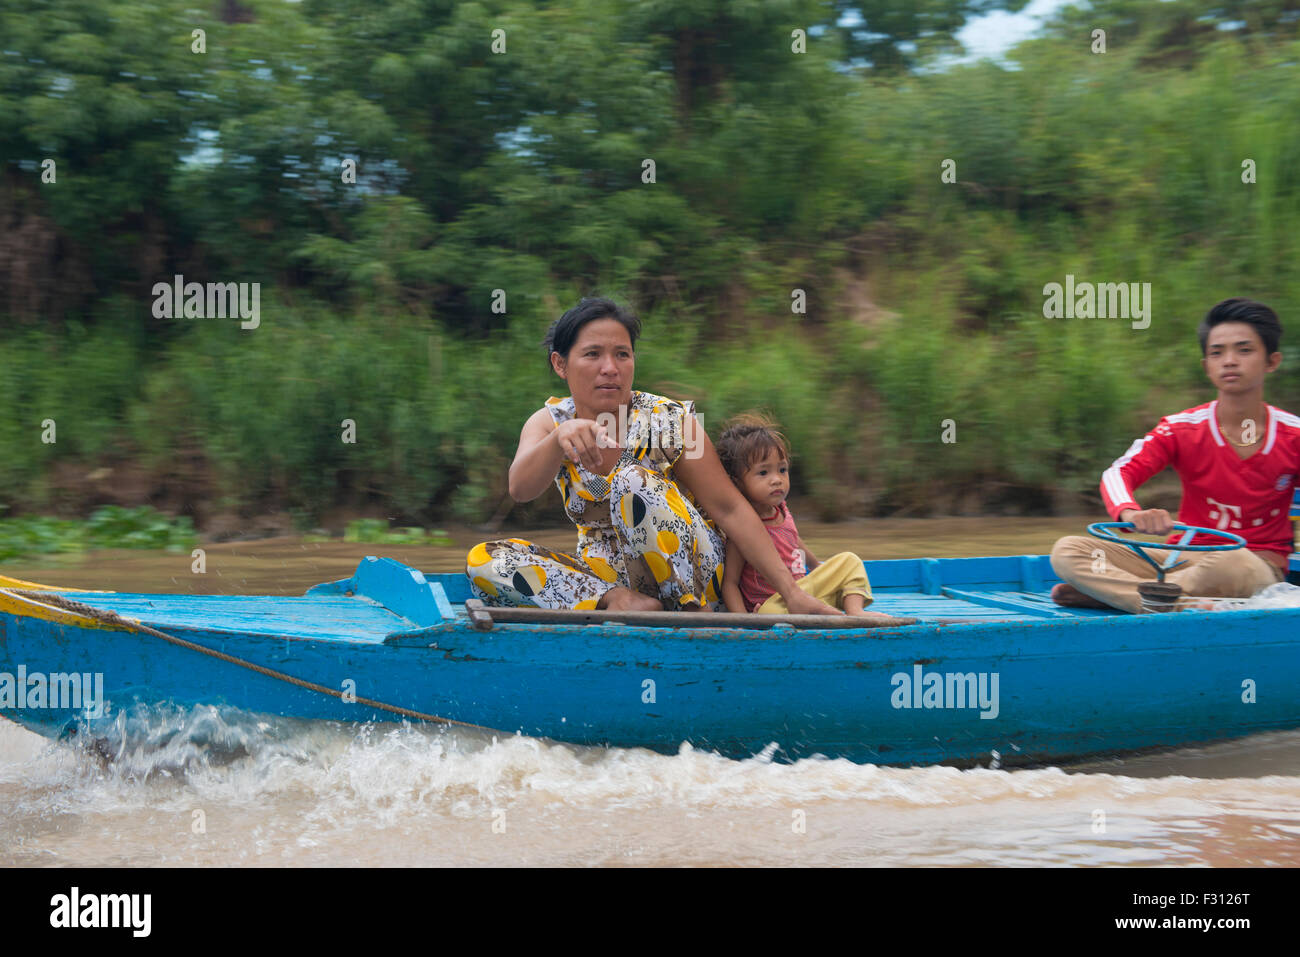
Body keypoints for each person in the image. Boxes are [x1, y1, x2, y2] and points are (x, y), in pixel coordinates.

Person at [466, 297, 842, 617]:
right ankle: (620, 602)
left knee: (633, 482)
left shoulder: (671, 420)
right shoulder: (550, 422)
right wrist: (558, 440)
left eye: (622, 354)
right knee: (485, 559)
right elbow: (520, 488)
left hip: (694, 576)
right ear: (560, 364)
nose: (610, 368)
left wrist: (791, 594)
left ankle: (688, 615)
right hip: (608, 580)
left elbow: (730, 510)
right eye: (592, 354)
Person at [1051, 298, 1300, 613]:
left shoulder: (1294, 435)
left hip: (1253, 564)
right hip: (1177, 559)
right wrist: (1130, 514)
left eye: (1244, 350)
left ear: (1272, 361)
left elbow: (1237, 563)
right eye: (1217, 352)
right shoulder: (1181, 428)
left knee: (1232, 563)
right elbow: (1118, 473)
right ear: (1206, 366)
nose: (1230, 361)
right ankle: (1170, 602)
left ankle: (1123, 596)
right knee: (1069, 550)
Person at [715, 413, 887, 618]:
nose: (776, 480)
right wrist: (744, 620)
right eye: (763, 473)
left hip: (802, 591)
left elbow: (793, 541)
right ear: (737, 483)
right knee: (769, 611)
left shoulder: (782, 510)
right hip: (775, 603)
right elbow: (731, 584)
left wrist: (817, 567)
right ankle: (813, 610)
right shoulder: (742, 529)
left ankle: (855, 611)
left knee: (850, 560)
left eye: (782, 470)